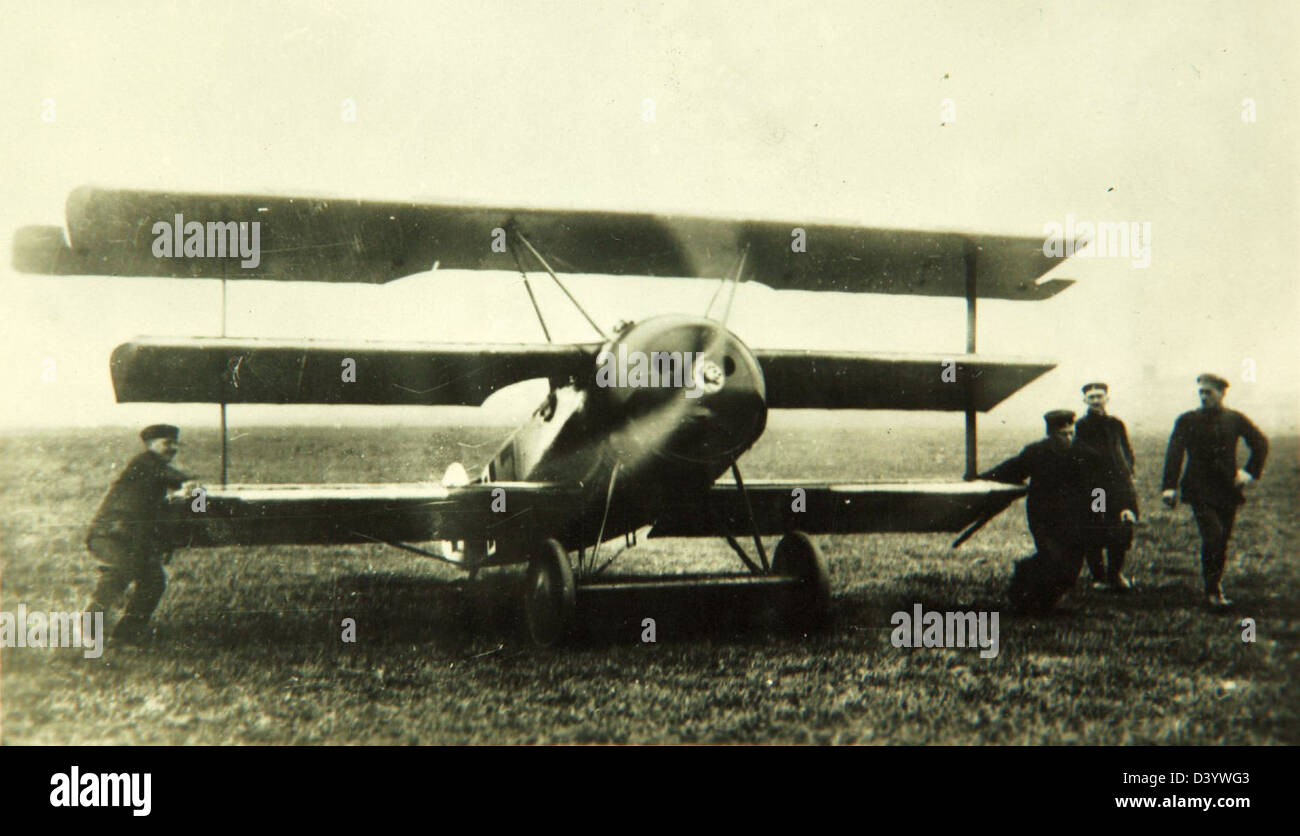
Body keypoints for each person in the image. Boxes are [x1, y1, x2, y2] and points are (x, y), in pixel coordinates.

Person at [1161, 374, 1268, 610]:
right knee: (1213, 536)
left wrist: (1248, 472)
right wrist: (1169, 487)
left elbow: (1260, 443)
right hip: (1198, 488)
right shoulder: (1187, 420)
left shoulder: (1235, 419)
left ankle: (1214, 586)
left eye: (1208, 392)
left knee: (1222, 540)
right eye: (1200, 392)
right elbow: (1174, 453)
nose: (1203, 396)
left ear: (1221, 393)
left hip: (1227, 488)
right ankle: (1212, 592)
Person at [85, 424, 197, 644]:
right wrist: (191, 486)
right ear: (150, 445)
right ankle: (89, 626)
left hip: (134, 536)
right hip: (111, 534)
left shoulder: (157, 469)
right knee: (120, 572)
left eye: (175, 444)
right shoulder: (144, 463)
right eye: (167, 443)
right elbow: (176, 479)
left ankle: (125, 636)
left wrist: (194, 498)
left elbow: (193, 505)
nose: (173, 448)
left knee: (154, 581)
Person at [980, 410, 1087, 613]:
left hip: (1074, 518)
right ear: (1051, 433)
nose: (1068, 438)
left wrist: (1098, 511)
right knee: (1052, 556)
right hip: (1044, 516)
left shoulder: (1084, 453)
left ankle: (1041, 599)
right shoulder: (1036, 452)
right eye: (1062, 434)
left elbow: (1099, 486)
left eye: (1071, 433)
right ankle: (1025, 593)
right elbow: (1011, 469)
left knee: (1071, 567)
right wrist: (982, 478)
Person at [1073, 382, 1138, 591]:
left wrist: (1128, 471)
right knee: (1096, 526)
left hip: (1117, 487)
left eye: (1099, 396)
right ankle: (1098, 576)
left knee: (1119, 526)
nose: (1095, 401)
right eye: (1091, 397)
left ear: (1106, 399)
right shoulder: (1081, 425)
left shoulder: (1116, 424)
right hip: (1096, 489)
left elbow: (1126, 450)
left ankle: (1115, 573)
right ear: (1085, 400)